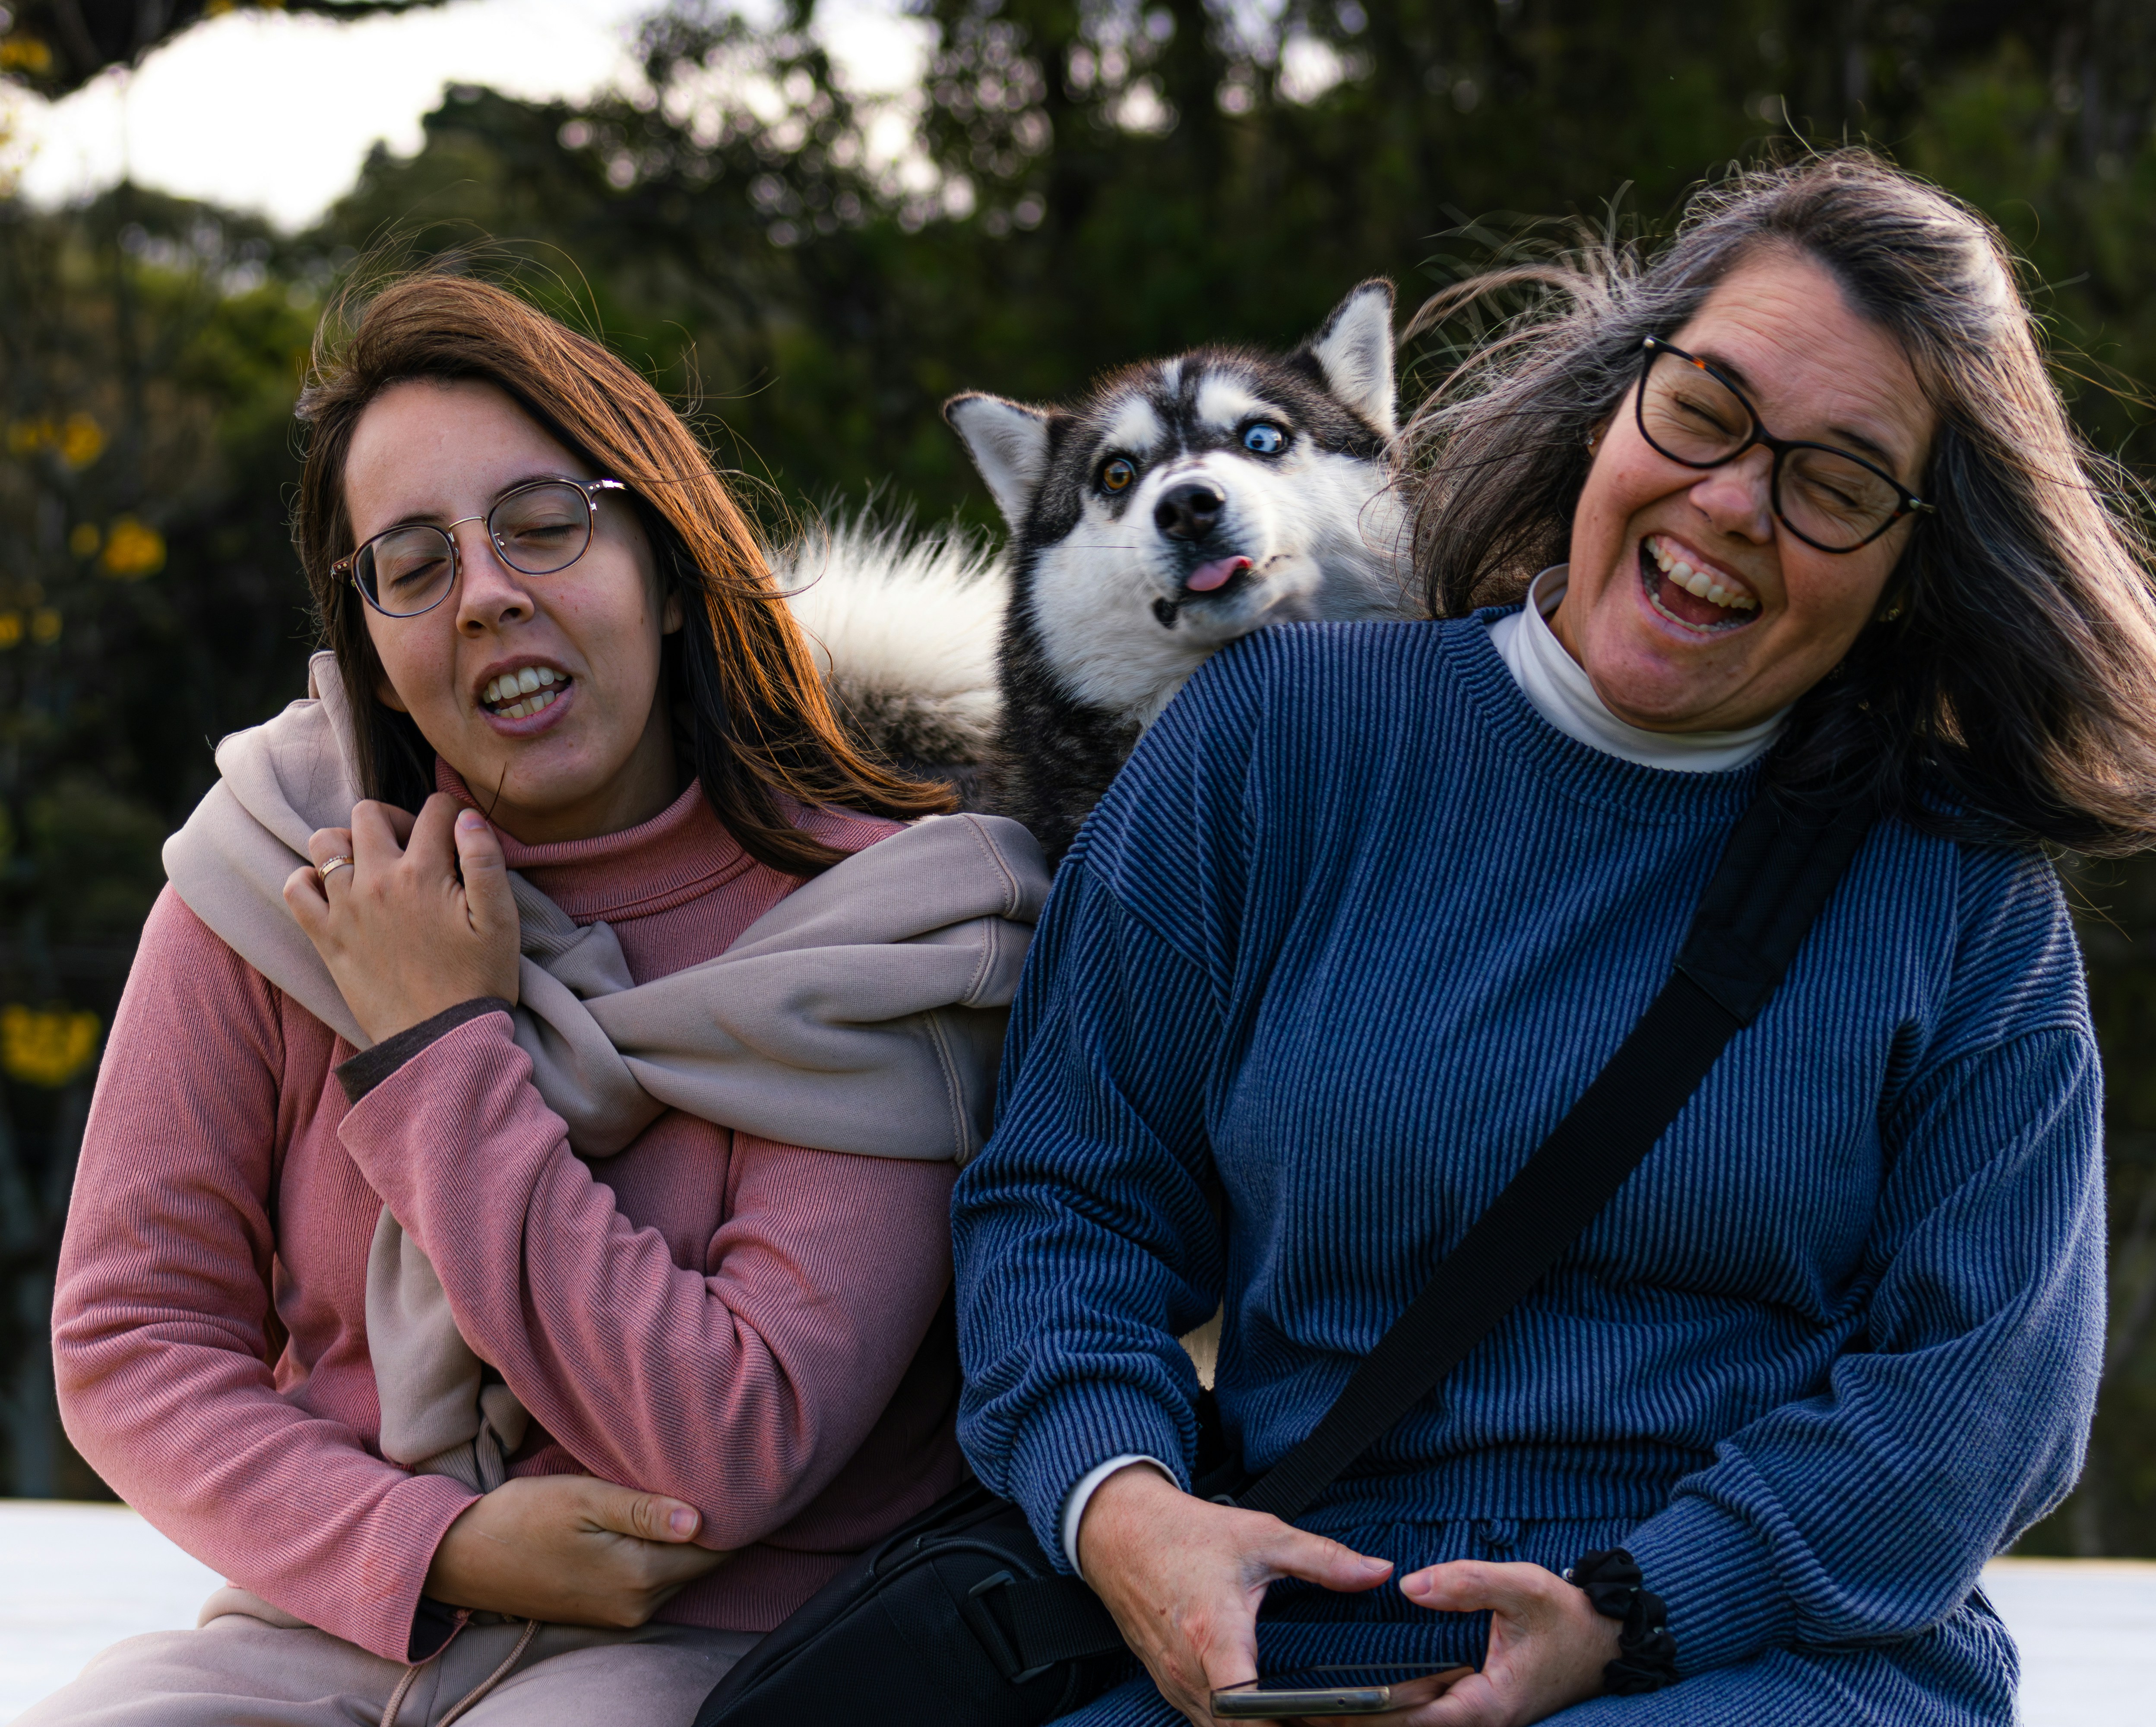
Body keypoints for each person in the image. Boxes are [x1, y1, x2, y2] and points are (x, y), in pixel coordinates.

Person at [951, 150, 2156, 1727]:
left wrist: (1640, 1612)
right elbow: (1063, 1203)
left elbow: (1981, 1396)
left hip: (1756, 1662)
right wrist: (1128, 1514)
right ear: (1614, 397)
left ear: (1907, 567)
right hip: (1288, 1639)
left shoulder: (1955, 894)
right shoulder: (1270, 743)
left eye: (1838, 482)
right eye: (1704, 411)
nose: (1730, 502)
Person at [34, 272, 1048, 1727]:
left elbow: (727, 1442)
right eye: (413, 562)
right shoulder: (272, 873)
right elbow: (133, 1334)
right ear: (368, 637)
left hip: (727, 1651)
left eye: (543, 523)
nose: (491, 591)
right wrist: (423, 1543)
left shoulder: (888, 938)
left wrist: (435, 1048)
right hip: (333, 1621)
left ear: (663, 555)